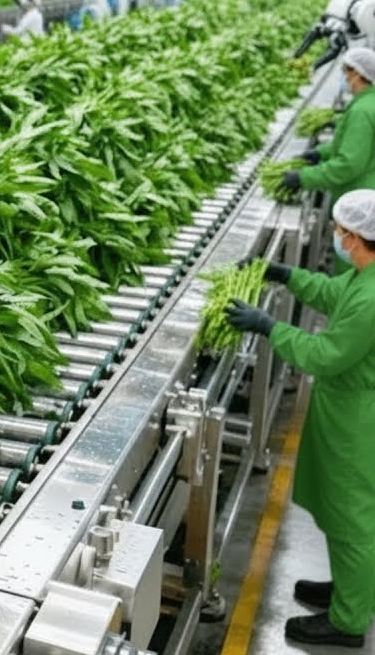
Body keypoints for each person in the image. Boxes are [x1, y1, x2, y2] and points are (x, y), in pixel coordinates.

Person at [225, 188, 375, 649]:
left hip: (358, 416)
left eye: (338, 231)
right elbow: (333, 292)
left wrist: (270, 327)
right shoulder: (363, 277)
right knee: (341, 510)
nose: (334, 236)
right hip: (344, 408)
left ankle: (348, 622)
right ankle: (349, 590)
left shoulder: (372, 297)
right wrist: (285, 274)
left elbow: (326, 355)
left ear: (355, 237)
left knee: (352, 516)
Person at [283, 46, 375, 272]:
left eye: (346, 72)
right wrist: (321, 152)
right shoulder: (367, 103)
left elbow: (348, 165)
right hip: (363, 190)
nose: (344, 77)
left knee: (354, 273)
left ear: (356, 73)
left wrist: (303, 177)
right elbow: (352, 144)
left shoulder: (363, 111)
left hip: (358, 198)